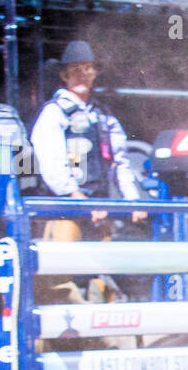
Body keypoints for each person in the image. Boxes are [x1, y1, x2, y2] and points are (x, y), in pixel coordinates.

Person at [30, 40, 146, 240]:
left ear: (94, 74)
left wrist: (133, 200)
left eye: (87, 69)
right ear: (64, 76)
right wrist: (80, 199)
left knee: (98, 267)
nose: (82, 75)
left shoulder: (103, 116)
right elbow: (52, 166)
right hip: (65, 211)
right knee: (63, 266)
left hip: (99, 208)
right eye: (75, 70)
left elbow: (119, 162)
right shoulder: (54, 113)